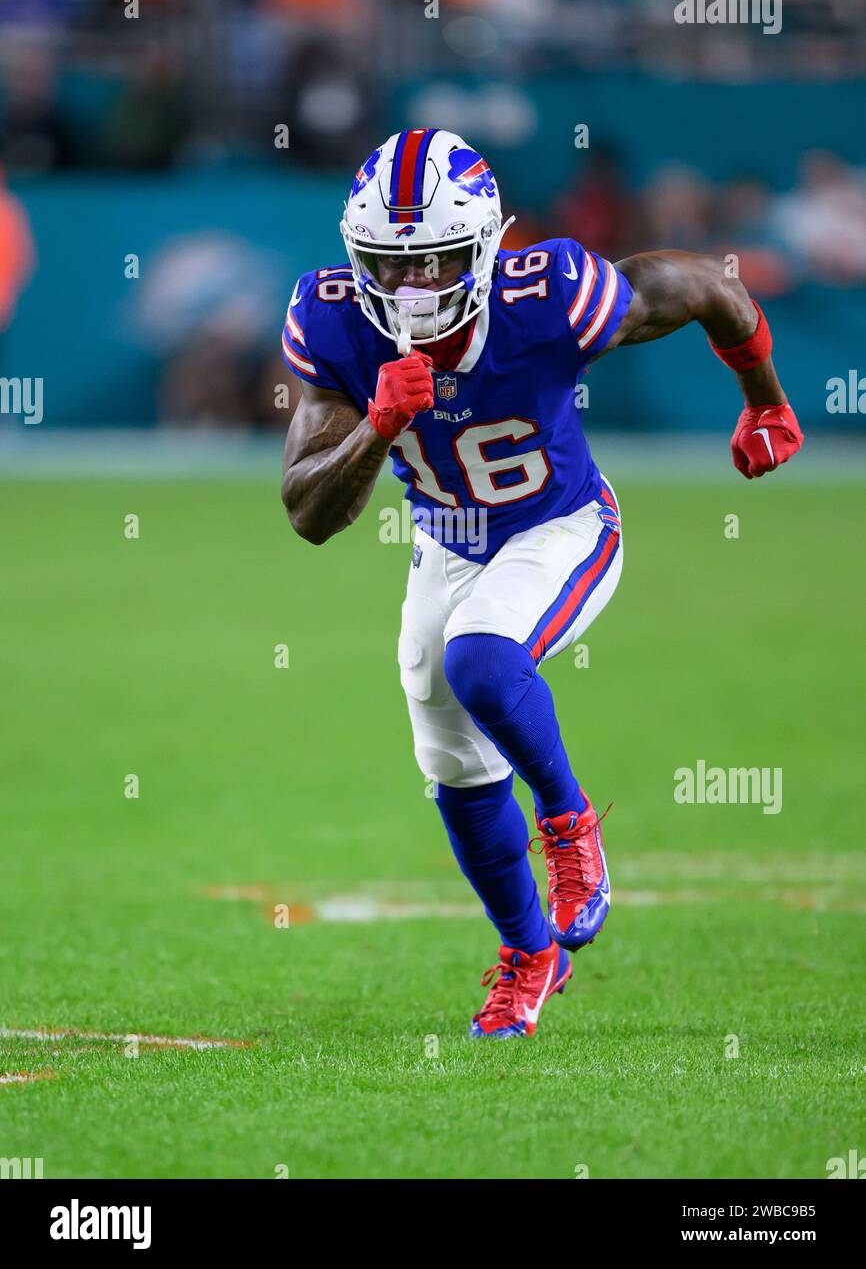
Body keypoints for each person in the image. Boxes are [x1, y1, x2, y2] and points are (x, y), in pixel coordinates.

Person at [280, 129, 803, 1038]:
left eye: (431, 263)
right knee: (451, 761)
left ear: (483, 246)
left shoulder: (550, 296)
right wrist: (375, 426)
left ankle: (569, 822)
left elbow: (708, 286)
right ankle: (530, 954)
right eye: (386, 266)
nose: (408, 292)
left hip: (562, 526)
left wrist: (764, 397)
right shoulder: (332, 320)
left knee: (479, 656)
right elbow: (309, 514)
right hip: (446, 541)